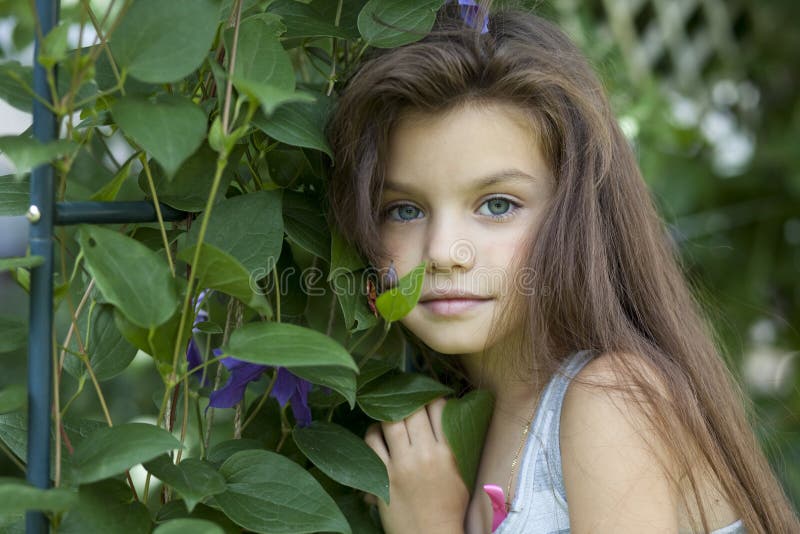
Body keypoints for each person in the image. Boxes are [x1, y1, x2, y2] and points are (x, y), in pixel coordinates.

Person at [324, 1, 800, 533]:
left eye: (498, 204)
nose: (442, 251)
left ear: (575, 217)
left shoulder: (612, 402)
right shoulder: (449, 423)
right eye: (404, 210)